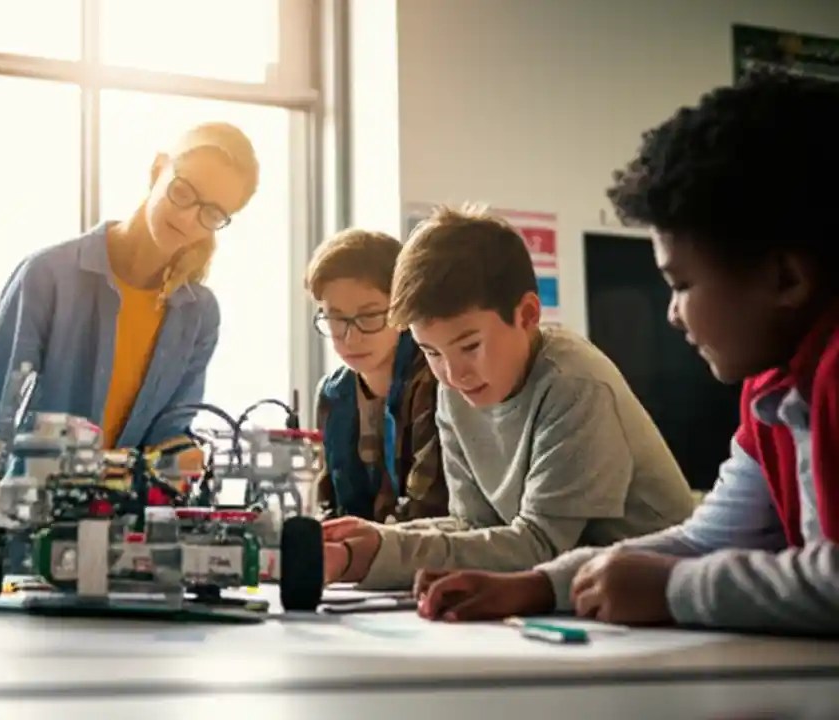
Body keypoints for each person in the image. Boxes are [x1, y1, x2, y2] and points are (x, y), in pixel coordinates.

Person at [414, 72, 839, 634]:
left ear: (787, 278)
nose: (673, 314)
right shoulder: (773, 392)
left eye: (681, 285)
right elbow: (707, 539)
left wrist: (674, 589)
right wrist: (541, 585)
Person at [0, 121, 260, 574]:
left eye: (211, 213)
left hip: (126, 557)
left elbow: (171, 433)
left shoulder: (198, 313)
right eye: (184, 192)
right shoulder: (49, 275)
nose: (189, 219)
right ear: (157, 169)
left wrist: (184, 466)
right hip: (24, 547)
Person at [321, 205, 694, 589]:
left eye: (470, 345)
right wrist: (376, 539)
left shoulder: (574, 386)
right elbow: (474, 526)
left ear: (528, 314)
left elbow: (542, 547)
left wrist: (374, 556)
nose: (453, 374)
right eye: (431, 352)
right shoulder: (456, 389)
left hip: (659, 595)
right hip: (571, 597)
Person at [308, 228, 447, 523]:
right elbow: (327, 500)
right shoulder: (333, 393)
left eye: (369, 316)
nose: (351, 337)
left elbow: (429, 505)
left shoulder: (435, 378)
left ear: (402, 309)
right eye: (336, 318)